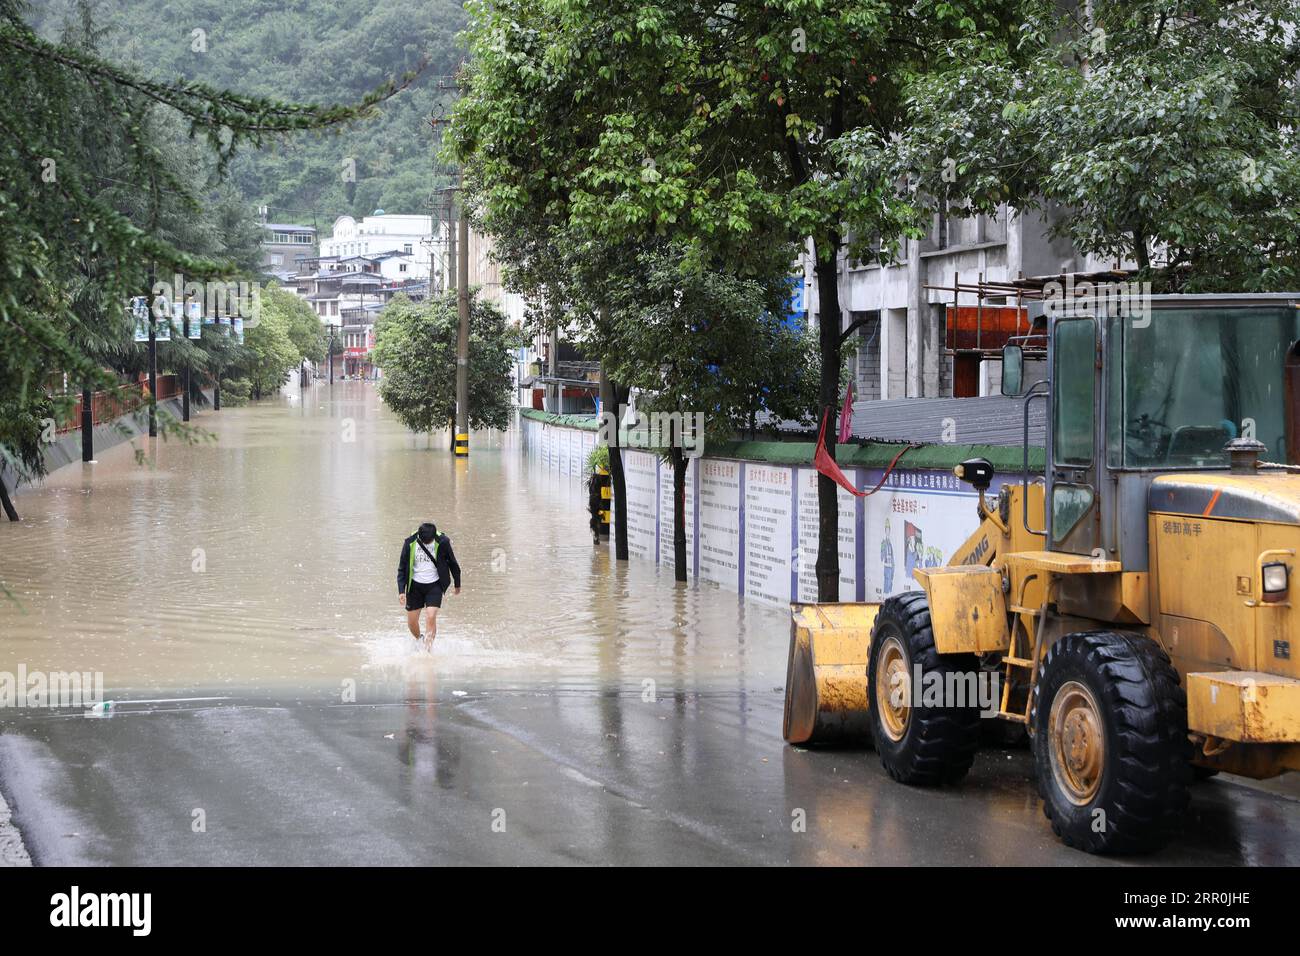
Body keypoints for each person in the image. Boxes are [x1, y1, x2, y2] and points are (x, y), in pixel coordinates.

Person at [397, 522, 462, 649]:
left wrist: (457, 584)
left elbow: (453, 563)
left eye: (429, 541)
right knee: (411, 623)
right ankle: (420, 639)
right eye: (424, 541)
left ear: (434, 537)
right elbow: (402, 568)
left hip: (434, 585)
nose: (427, 543)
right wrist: (401, 591)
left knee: (431, 616)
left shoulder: (443, 541)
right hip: (414, 586)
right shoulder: (410, 542)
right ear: (419, 536)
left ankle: (428, 650)